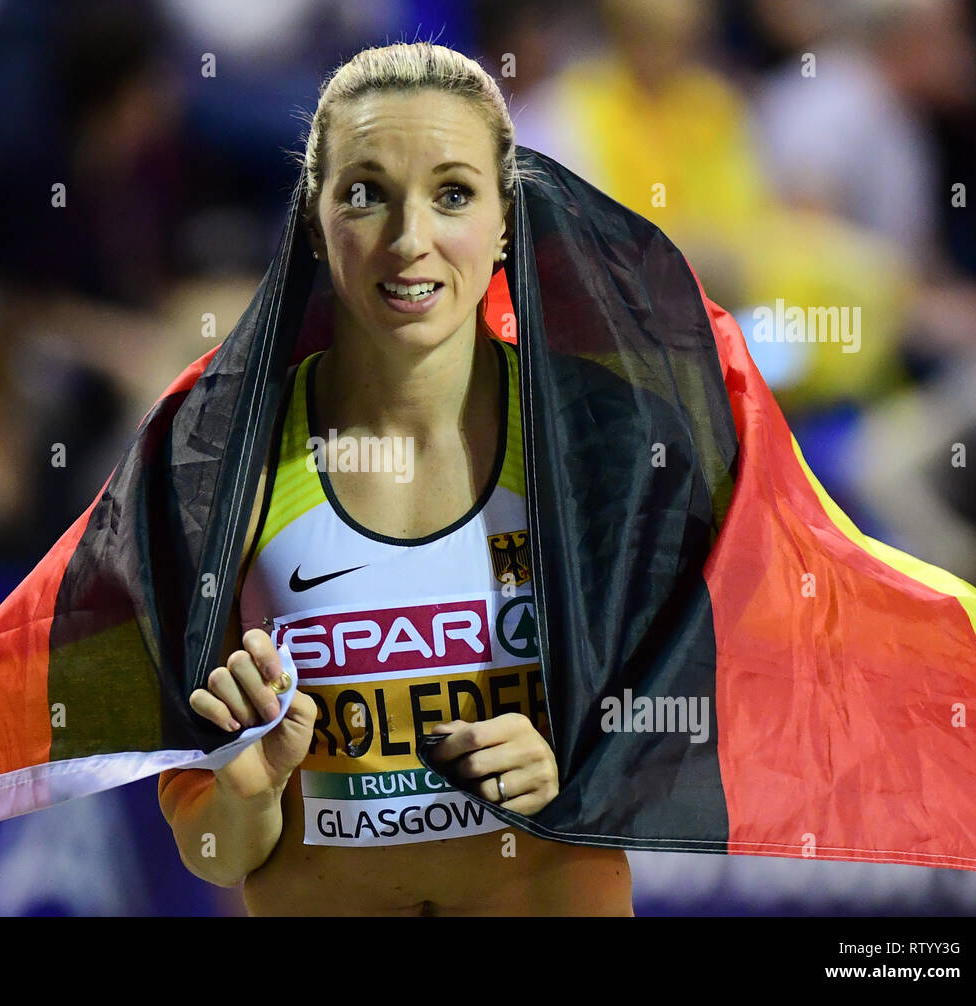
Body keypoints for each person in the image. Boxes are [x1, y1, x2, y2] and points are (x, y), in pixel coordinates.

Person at [157, 42, 634, 917]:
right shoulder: (222, 457)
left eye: (453, 193)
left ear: (504, 223)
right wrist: (251, 791)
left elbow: (715, 728)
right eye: (366, 194)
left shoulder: (595, 443)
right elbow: (211, 850)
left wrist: (587, 763)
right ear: (313, 220)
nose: (410, 240)